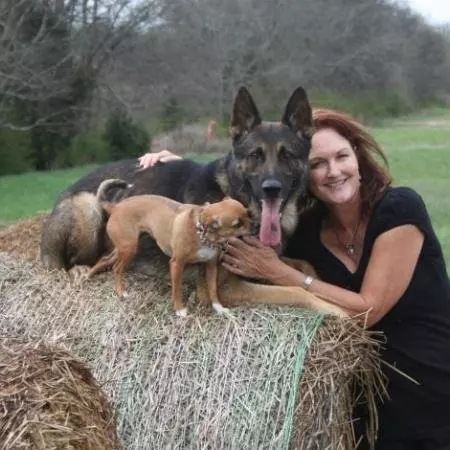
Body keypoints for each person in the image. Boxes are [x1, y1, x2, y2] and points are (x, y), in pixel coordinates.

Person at [138, 109, 450, 449]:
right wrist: (178, 169)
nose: (333, 172)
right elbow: (247, 179)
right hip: (355, 401)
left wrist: (282, 274)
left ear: (358, 157)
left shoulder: (399, 208)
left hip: (431, 388)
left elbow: (368, 311)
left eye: (341, 156)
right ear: (303, 174)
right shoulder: (306, 230)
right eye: (317, 164)